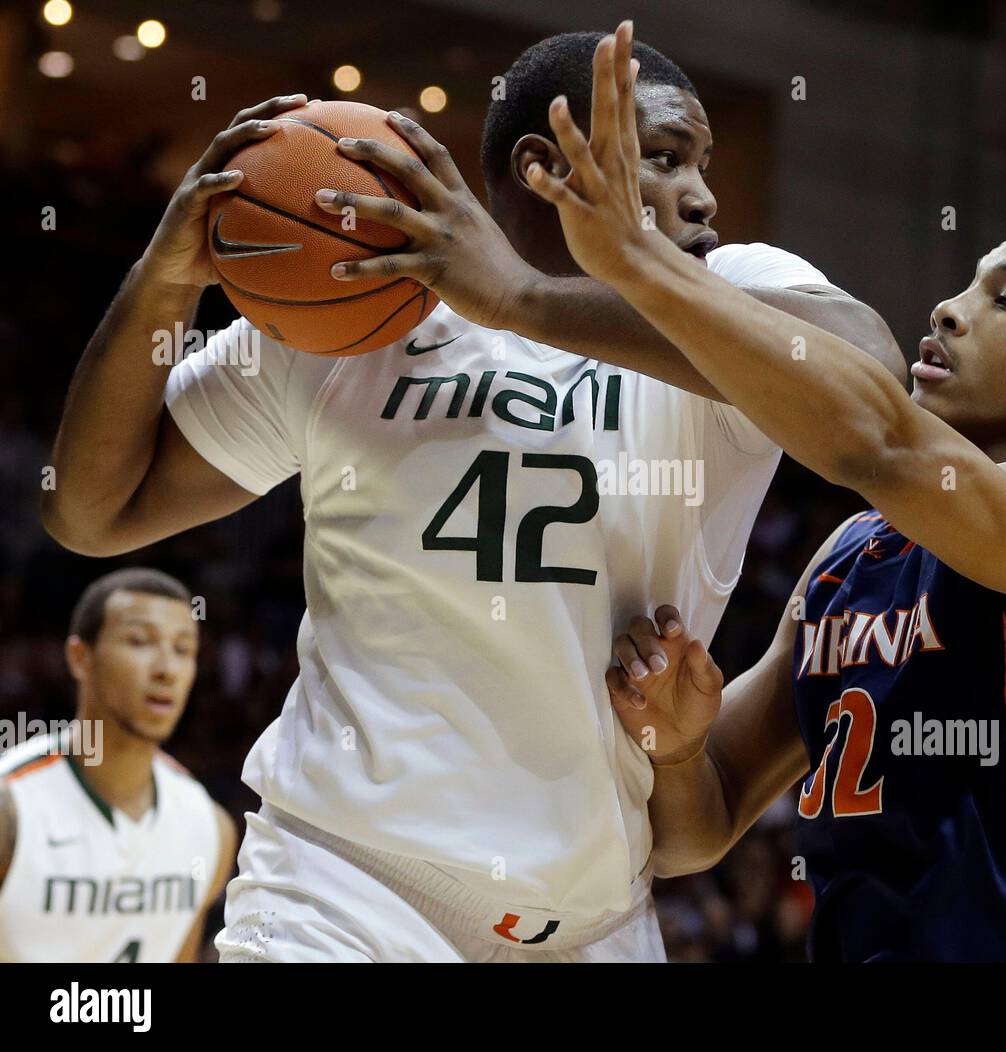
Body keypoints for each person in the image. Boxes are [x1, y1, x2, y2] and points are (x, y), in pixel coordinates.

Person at [40, 23, 903, 962]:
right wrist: (161, 281)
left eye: (703, 163)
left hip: (593, 915)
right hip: (343, 888)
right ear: (544, 169)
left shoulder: (726, 295)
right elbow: (91, 510)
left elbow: (871, 382)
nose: (702, 194)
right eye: (663, 158)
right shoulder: (363, 302)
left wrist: (519, 299)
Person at [530, 27, 1006, 961]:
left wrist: (633, 263)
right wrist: (674, 748)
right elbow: (693, 833)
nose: (949, 308)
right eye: (965, 283)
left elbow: (873, 443)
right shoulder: (850, 559)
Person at [0, 568, 235, 962]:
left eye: (183, 649)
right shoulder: (12, 805)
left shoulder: (208, 825)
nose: (166, 668)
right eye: (140, 641)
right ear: (81, 657)